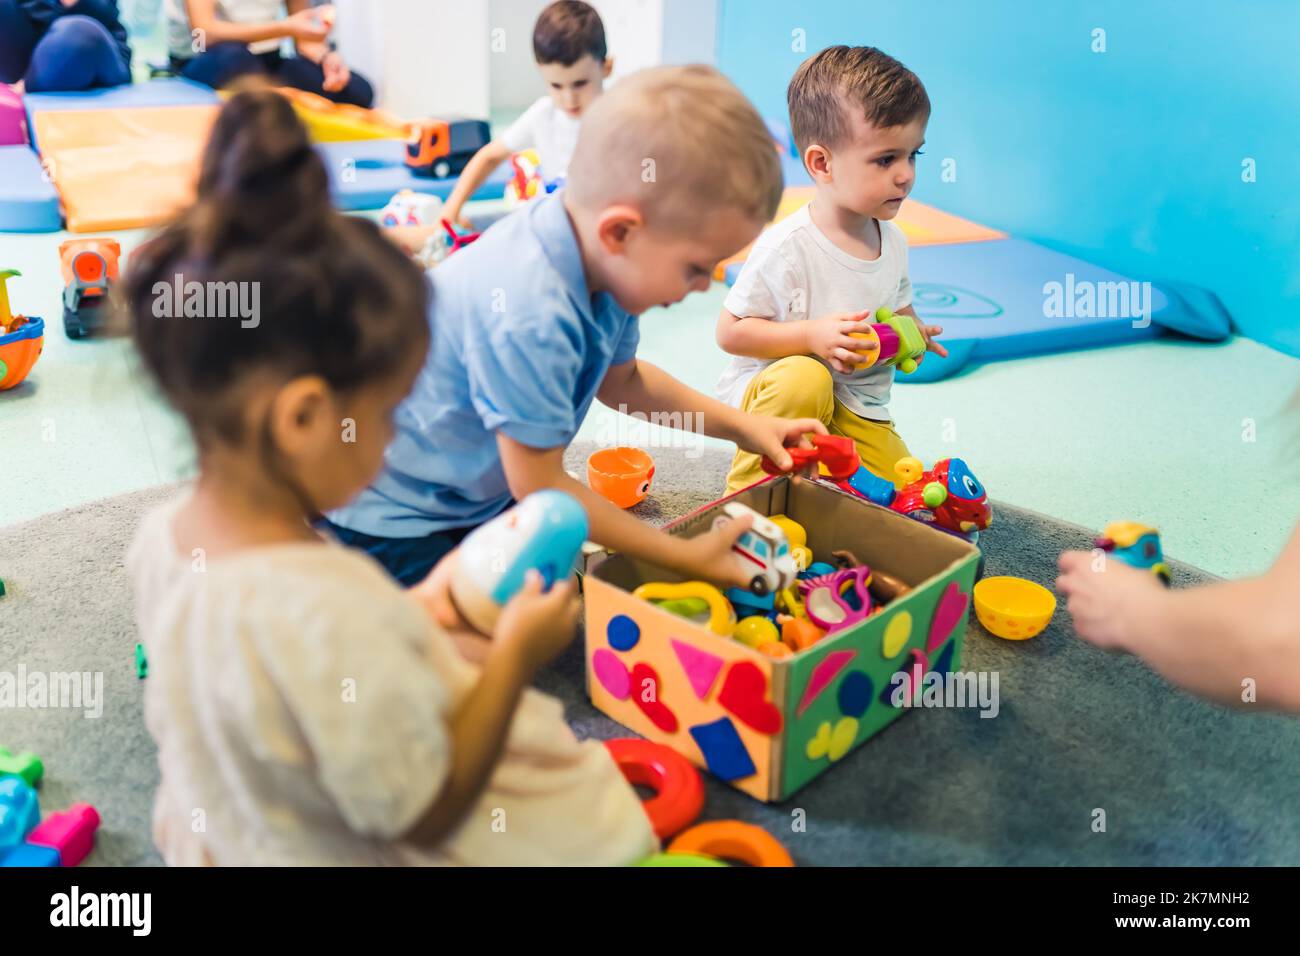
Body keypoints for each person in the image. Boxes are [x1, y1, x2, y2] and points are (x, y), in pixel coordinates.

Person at [123, 90, 656, 865]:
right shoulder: (334, 604)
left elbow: (266, 673)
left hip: (223, 829)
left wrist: (418, 609)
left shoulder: (162, 540)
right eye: (389, 416)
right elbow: (424, 809)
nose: (393, 444)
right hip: (320, 847)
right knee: (587, 806)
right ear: (305, 420)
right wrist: (513, 655)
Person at [714, 46, 947, 494]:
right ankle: (744, 502)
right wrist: (810, 337)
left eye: (913, 155)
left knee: (902, 495)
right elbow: (731, 332)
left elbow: (899, 307)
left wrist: (913, 332)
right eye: (886, 159)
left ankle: (821, 475)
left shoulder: (892, 239)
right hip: (782, 397)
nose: (906, 176)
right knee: (808, 375)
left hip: (857, 406)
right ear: (822, 164)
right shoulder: (788, 247)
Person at [166, 0, 373, 106]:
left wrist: (327, 58)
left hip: (266, 62)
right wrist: (285, 28)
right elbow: (203, 34)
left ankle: (269, 95)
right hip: (208, 57)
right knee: (237, 59)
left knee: (359, 91)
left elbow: (304, 36)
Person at [0, 0, 132, 92]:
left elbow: (103, 19)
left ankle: (24, 91)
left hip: (91, 52)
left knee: (77, 33)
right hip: (29, 56)